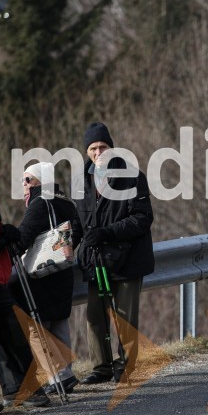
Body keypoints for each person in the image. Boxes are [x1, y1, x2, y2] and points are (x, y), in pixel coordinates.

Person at [75, 122, 155, 385]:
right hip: (96, 260)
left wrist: (107, 233)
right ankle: (101, 367)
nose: (99, 152)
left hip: (128, 259)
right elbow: (77, 222)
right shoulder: (81, 180)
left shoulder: (132, 176)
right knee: (94, 316)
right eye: (93, 148)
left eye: (103, 146)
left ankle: (127, 367)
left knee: (124, 316)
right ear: (87, 151)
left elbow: (142, 218)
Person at [11, 162, 83, 395]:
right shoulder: (65, 201)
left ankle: (58, 377)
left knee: (36, 329)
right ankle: (68, 374)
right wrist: (62, 248)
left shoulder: (40, 203)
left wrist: (10, 247)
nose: (23, 184)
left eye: (27, 180)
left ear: (40, 181)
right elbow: (77, 230)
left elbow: (24, 237)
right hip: (62, 271)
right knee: (59, 321)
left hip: (41, 274)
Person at [0, 152, 48, 410]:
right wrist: (1, 240)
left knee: (3, 334)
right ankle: (30, 389)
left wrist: (3, 233)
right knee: (13, 331)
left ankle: (16, 390)